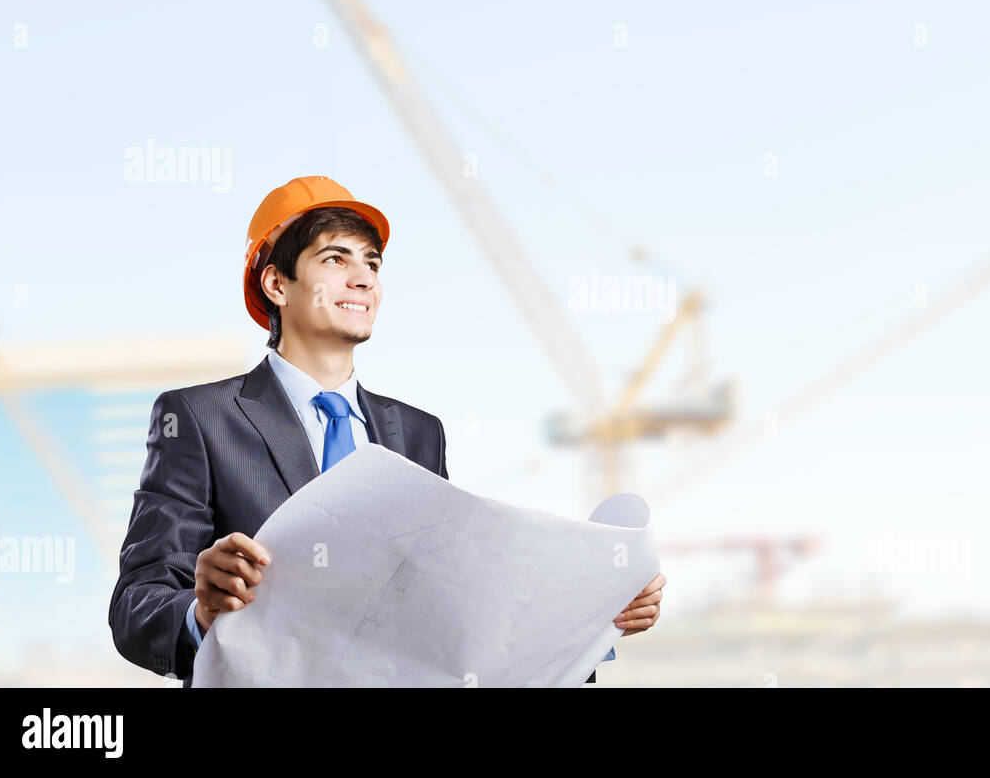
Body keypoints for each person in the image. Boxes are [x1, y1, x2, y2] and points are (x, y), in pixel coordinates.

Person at [108, 175, 664, 686]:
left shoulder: (420, 433)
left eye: (372, 264)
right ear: (277, 283)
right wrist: (200, 612)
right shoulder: (200, 418)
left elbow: (455, 611)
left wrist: (593, 621)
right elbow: (137, 602)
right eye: (335, 258)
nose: (363, 277)